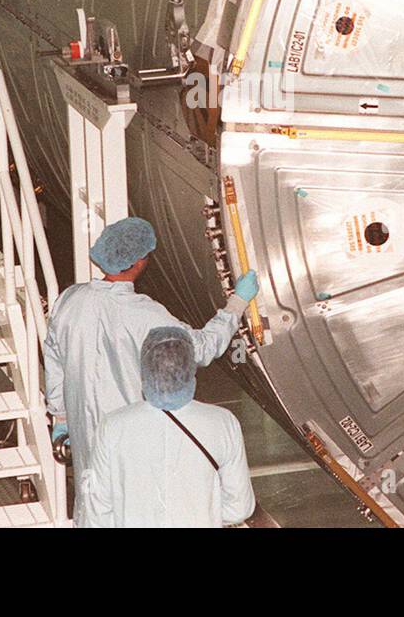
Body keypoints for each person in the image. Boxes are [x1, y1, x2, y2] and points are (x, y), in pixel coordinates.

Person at [42, 215, 258, 524]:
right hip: (136, 438)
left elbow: (54, 360)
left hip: (86, 436)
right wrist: (237, 303)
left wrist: (60, 417)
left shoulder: (69, 301)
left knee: (95, 509)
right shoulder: (146, 314)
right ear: (139, 262)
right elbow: (201, 347)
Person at [83, 327, 255, 527]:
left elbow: (97, 510)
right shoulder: (223, 423)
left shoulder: (112, 426)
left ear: (145, 371)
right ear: (190, 369)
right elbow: (240, 507)